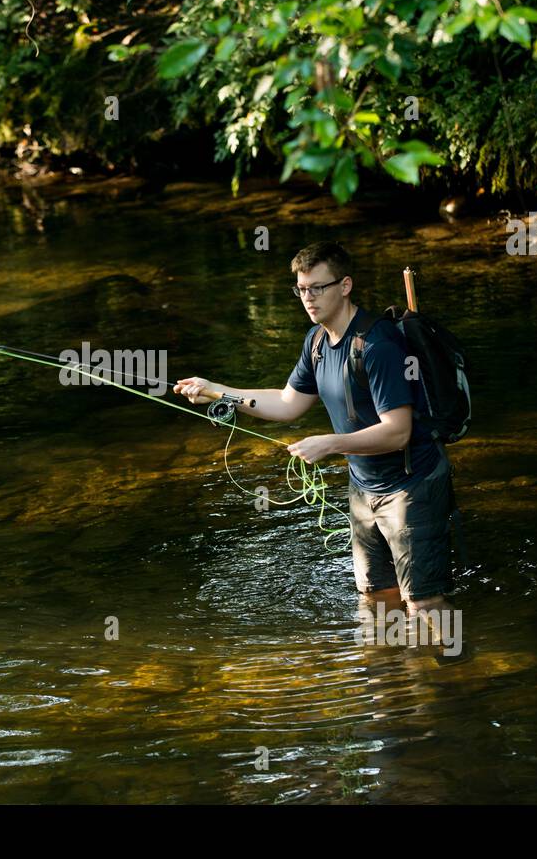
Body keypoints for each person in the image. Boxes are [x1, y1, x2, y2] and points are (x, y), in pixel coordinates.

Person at [173, 241, 455, 619]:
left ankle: (458, 673)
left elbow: (397, 432)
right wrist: (216, 391)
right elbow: (288, 403)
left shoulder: (377, 345)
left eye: (318, 288)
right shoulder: (317, 341)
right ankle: (393, 676)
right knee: (377, 597)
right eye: (302, 289)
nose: (308, 298)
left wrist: (330, 444)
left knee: (423, 604)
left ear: (345, 285)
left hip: (410, 486)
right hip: (363, 488)